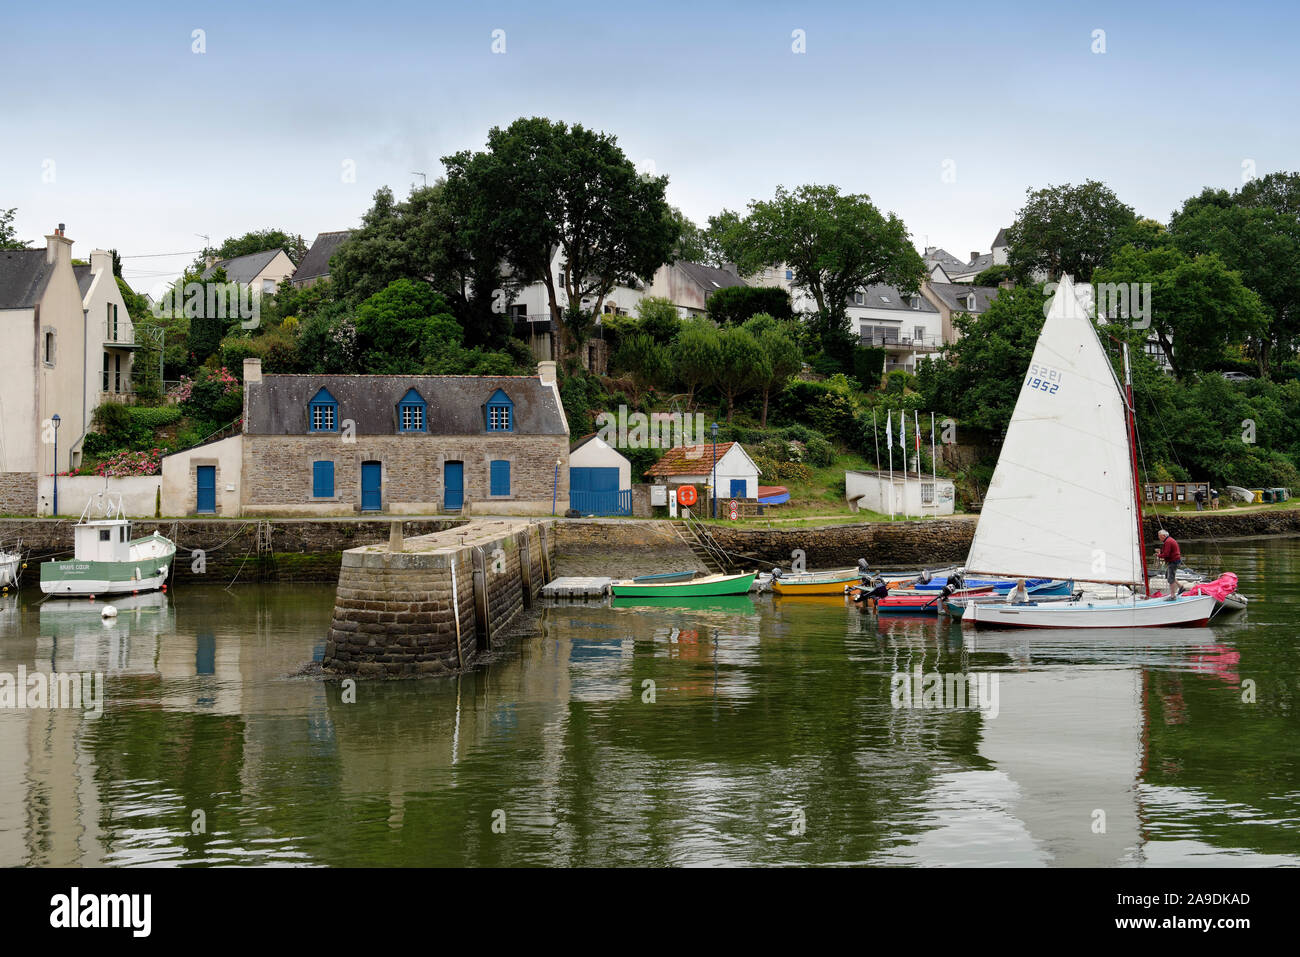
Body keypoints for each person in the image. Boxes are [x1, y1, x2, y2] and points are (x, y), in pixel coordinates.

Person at [1156, 529, 1183, 599]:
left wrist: (1158, 555)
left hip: (1173, 561)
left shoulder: (1168, 542)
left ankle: (1173, 595)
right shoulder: (1169, 540)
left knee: (1170, 577)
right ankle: (1181, 587)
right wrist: (1161, 552)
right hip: (1175, 560)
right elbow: (1167, 551)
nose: (1159, 538)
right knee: (1169, 575)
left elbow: (1166, 554)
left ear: (1164, 536)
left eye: (1159, 536)